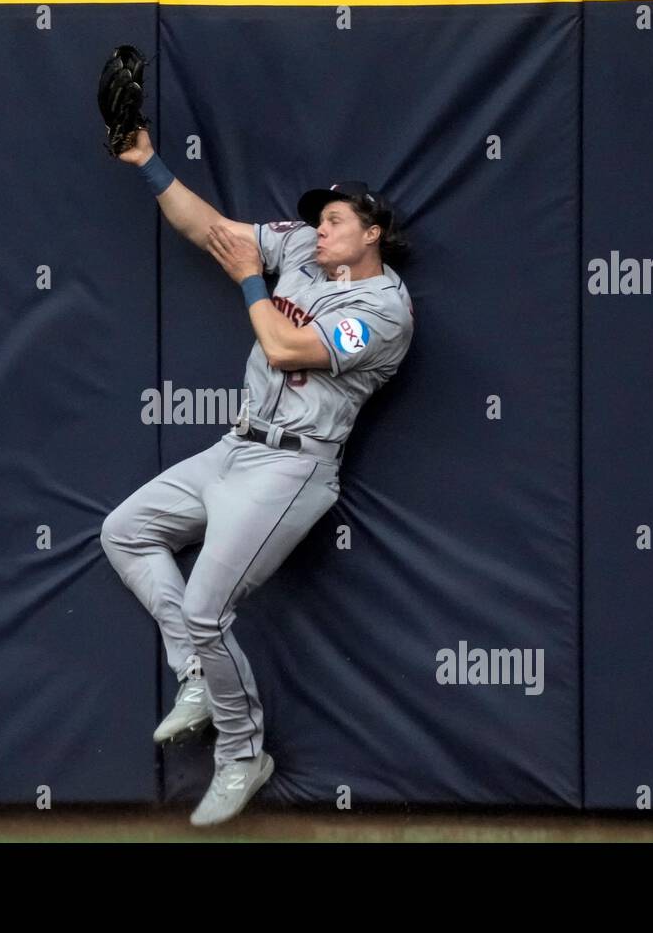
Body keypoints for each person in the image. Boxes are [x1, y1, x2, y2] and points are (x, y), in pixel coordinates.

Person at [99, 127, 415, 827]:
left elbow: (282, 347)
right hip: (237, 445)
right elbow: (210, 228)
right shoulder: (303, 248)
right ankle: (196, 678)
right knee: (124, 532)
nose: (319, 229)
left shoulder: (386, 313)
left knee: (208, 611)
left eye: (335, 220)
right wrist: (145, 160)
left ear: (372, 233)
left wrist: (248, 275)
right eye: (318, 218)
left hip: (293, 467)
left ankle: (243, 754)